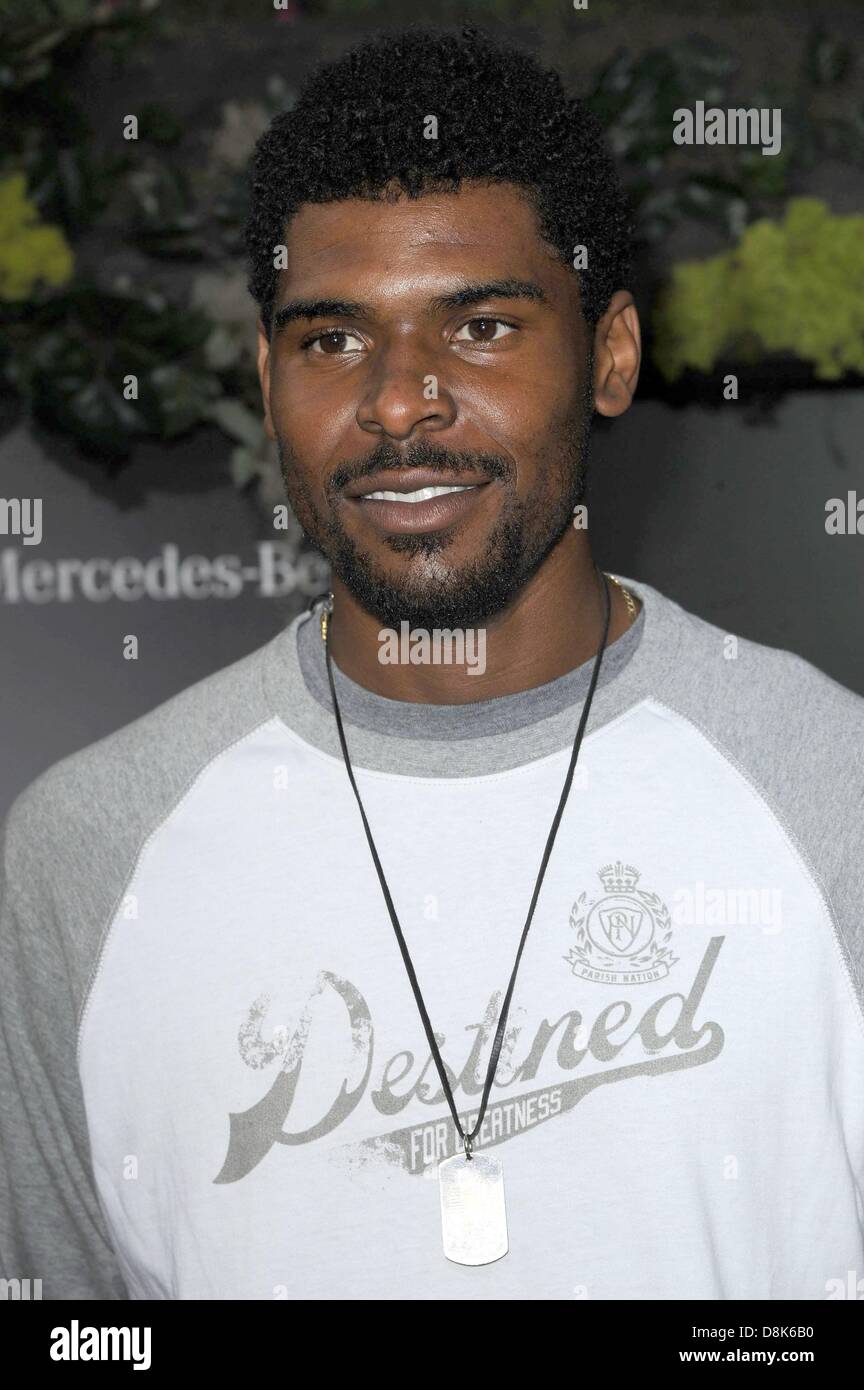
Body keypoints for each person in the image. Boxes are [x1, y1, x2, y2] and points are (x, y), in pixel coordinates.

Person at [1, 25, 862, 1302]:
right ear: (266, 371)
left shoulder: (831, 790)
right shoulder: (84, 850)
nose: (399, 401)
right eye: (333, 340)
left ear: (610, 354)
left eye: (482, 328)